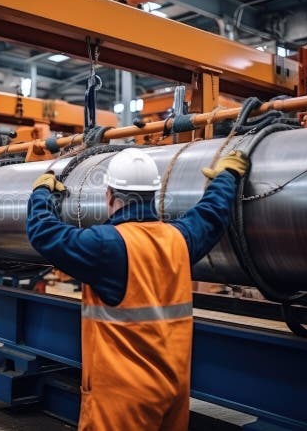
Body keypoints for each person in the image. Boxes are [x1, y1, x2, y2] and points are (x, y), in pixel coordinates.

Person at [26, 148, 249, 431]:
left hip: (122, 402)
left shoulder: (106, 246)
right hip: (173, 394)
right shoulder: (180, 238)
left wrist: (42, 193)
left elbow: (42, 232)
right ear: (153, 195)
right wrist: (227, 176)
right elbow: (212, 213)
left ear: (110, 196)